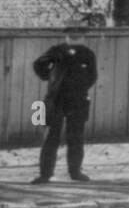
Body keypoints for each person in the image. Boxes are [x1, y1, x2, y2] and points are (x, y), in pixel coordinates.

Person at [32, 25, 98, 184]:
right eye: (71, 33)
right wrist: (52, 79)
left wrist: (79, 88)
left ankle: (75, 173)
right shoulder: (56, 51)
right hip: (55, 99)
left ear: (83, 36)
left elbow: (92, 76)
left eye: (78, 33)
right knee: (50, 137)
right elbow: (38, 64)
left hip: (78, 100)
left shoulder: (88, 54)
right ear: (66, 35)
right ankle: (45, 174)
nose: (75, 36)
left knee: (76, 137)